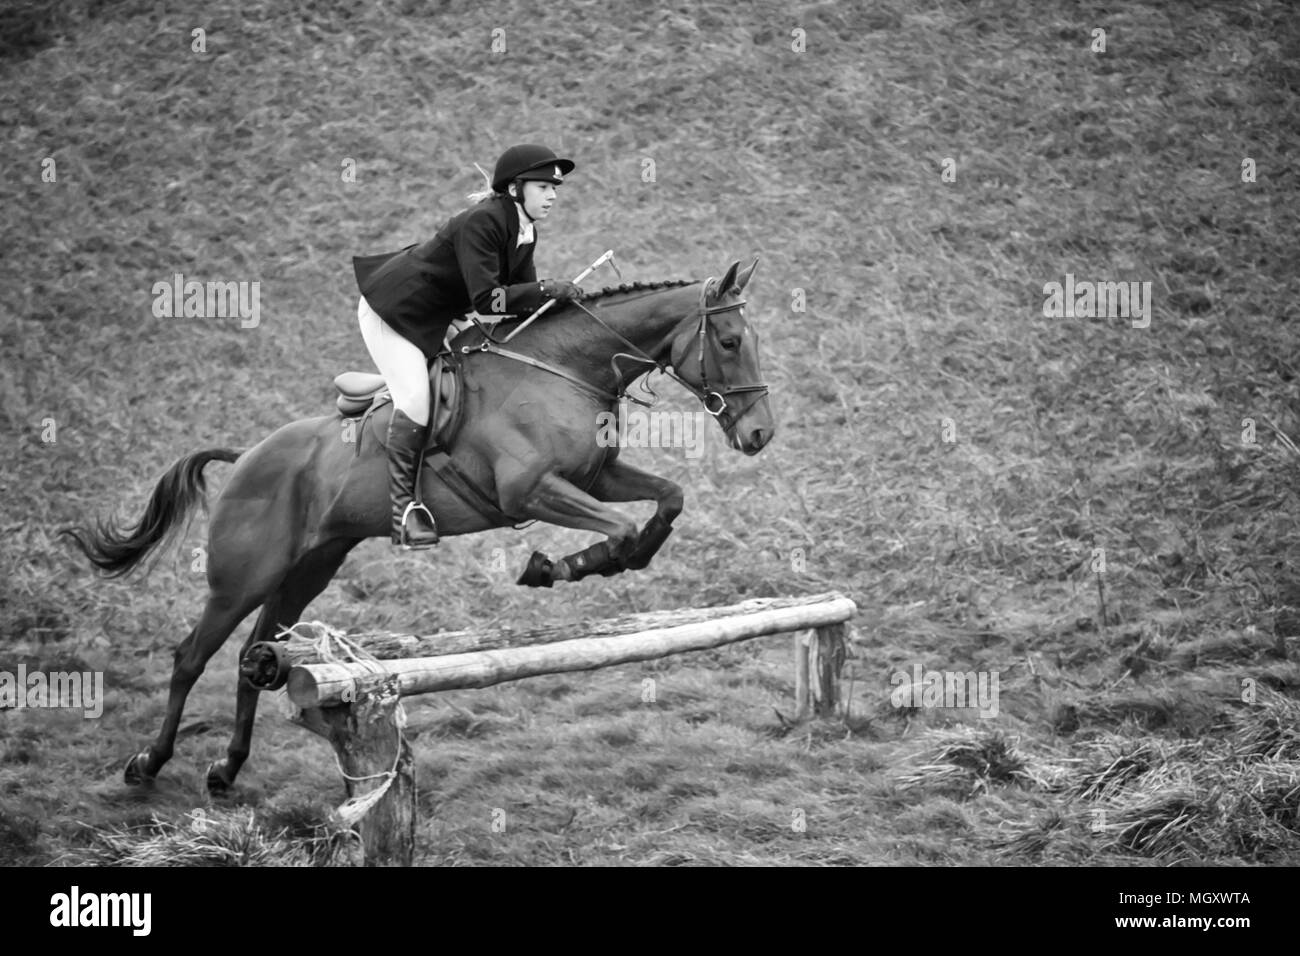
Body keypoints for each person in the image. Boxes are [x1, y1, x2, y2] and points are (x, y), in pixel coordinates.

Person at [352, 144, 586, 549]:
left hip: (441, 311)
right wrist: (548, 288)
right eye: (544, 186)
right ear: (515, 188)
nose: (552, 195)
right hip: (394, 309)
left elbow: (516, 304)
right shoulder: (484, 221)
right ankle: (405, 513)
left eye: (555, 188)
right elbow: (489, 302)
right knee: (416, 400)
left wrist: (559, 308)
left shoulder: (525, 229)